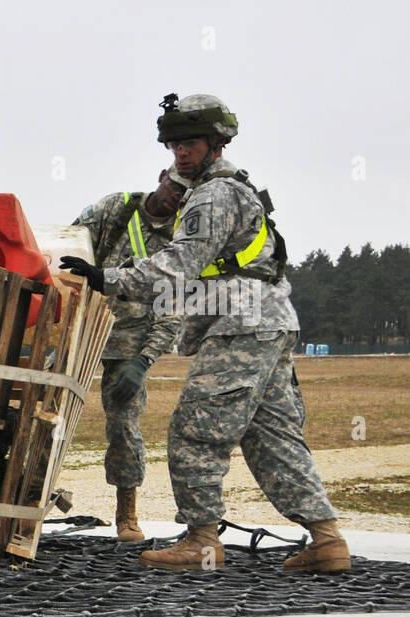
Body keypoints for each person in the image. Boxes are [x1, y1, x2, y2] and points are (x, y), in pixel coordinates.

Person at [61, 94, 349, 572]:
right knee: (271, 434)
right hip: (267, 320)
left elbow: (180, 264)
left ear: (216, 143)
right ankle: (327, 540)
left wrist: (106, 278)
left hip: (239, 325)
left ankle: (201, 541)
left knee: (195, 431)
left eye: (190, 143)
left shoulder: (213, 195)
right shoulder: (234, 188)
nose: (180, 153)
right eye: (174, 145)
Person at [72, 166, 188, 541]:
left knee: (124, 426)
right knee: (47, 418)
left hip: (129, 342)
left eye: (185, 194)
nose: (176, 196)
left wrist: (142, 363)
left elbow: (172, 311)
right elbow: (71, 244)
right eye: (174, 186)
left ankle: (127, 515)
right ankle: (26, 499)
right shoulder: (116, 210)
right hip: (79, 327)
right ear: (162, 175)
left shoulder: (181, 242)